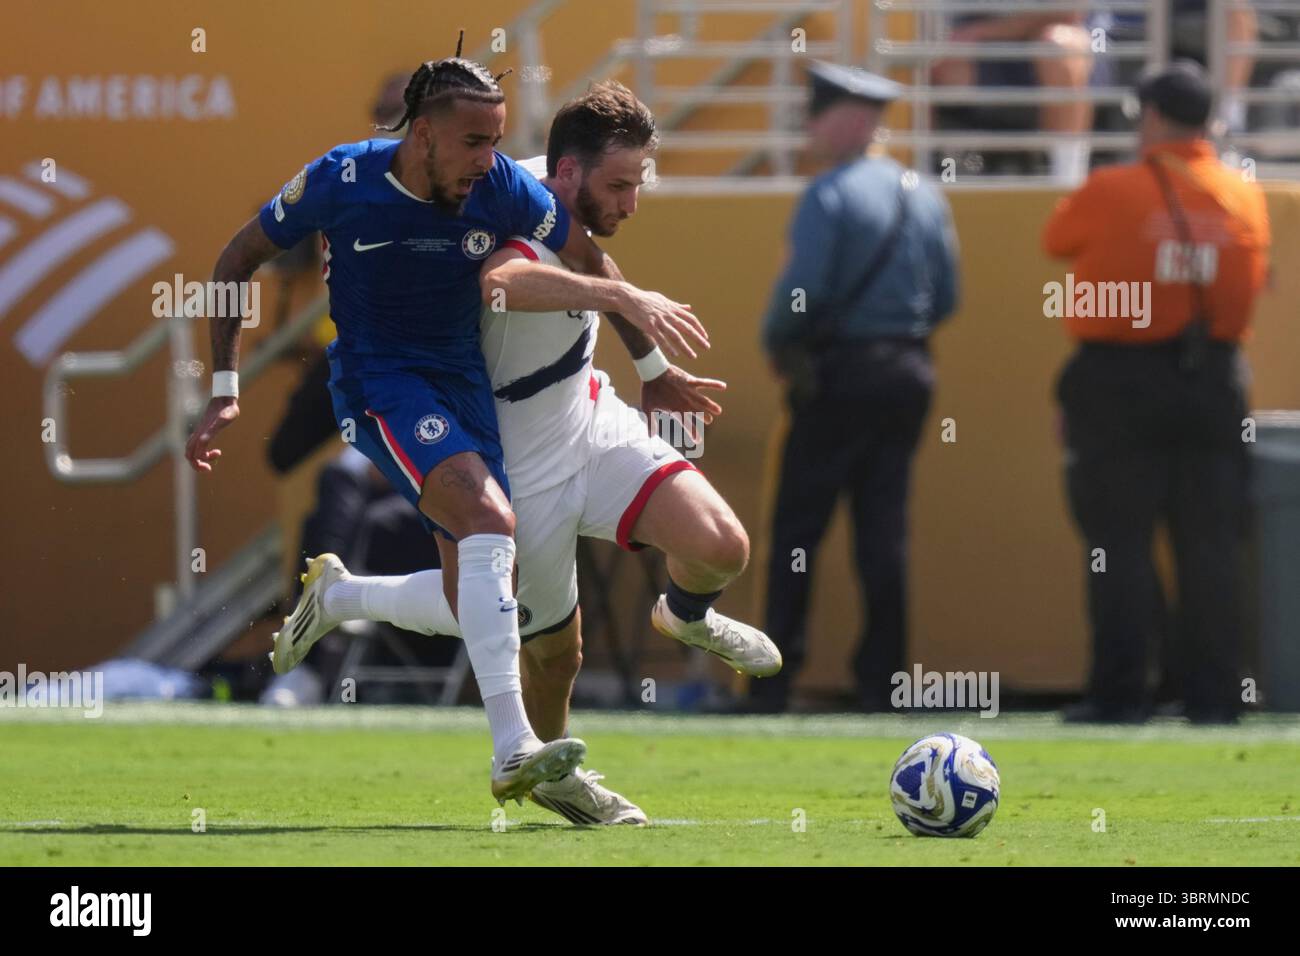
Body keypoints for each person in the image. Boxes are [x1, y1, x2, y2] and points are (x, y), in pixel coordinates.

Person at [185, 41, 710, 805]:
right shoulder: (343, 177)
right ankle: (513, 750)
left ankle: (341, 598)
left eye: (497, 141)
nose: (489, 160)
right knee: (491, 523)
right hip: (380, 382)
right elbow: (235, 260)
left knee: (487, 597)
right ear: (423, 134)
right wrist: (225, 387)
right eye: (474, 142)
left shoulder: (499, 188)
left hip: (464, 384)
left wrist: (655, 370)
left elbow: (595, 267)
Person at [273, 81, 782, 826]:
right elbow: (504, 284)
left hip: (588, 415)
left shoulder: (573, 217)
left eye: (637, 183)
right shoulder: (510, 205)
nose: (632, 202)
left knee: (721, 545)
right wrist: (621, 302)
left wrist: (653, 372)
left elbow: (605, 274)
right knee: (548, 651)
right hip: (517, 453)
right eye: (619, 185)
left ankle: (687, 616)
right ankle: (543, 764)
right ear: (566, 174)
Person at [1043, 60, 1271, 724]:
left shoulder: (1114, 187)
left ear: (1151, 116)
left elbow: (1056, 238)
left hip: (1120, 381)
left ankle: (1121, 693)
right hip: (1216, 381)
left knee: (1118, 542)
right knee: (1211, 544)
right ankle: (1214, 695)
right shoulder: (1244, 195)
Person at [755, 62, 959, 714]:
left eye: (817, 114)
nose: (811, 129)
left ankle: (774, 679)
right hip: (908, 372)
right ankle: (883, 682)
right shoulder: (925, 194)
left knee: (797, 530)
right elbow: (948, 295)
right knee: (883, 529)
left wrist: (778, 339)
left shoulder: (828, 195)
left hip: (838, 375)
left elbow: (798, 294)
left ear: (844, 118)